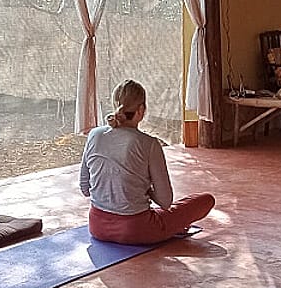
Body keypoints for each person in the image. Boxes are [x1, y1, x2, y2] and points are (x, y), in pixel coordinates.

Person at [81, 80, 215, 245]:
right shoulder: (149, 143)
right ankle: (171, 226)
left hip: (97, 227)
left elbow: (85, 188)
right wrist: (145, 187)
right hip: (137, 230)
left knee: (160, 213)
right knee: (206, 200)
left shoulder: (94, 135)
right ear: (141, 110)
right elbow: (166, 202)